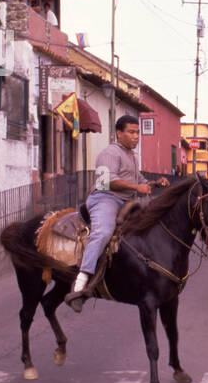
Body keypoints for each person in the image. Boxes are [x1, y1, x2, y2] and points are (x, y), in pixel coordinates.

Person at [65, 115, 168, 312]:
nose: (136, 136)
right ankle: (82, 279)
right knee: (103, 232)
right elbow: (105, 182)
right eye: (131, 132)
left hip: (127, 201)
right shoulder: (109, 153)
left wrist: (153, 183)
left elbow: (139, 179)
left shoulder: (132, 155)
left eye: (137, 132)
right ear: (119, 133)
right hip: (106, 198)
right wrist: (137, 187)